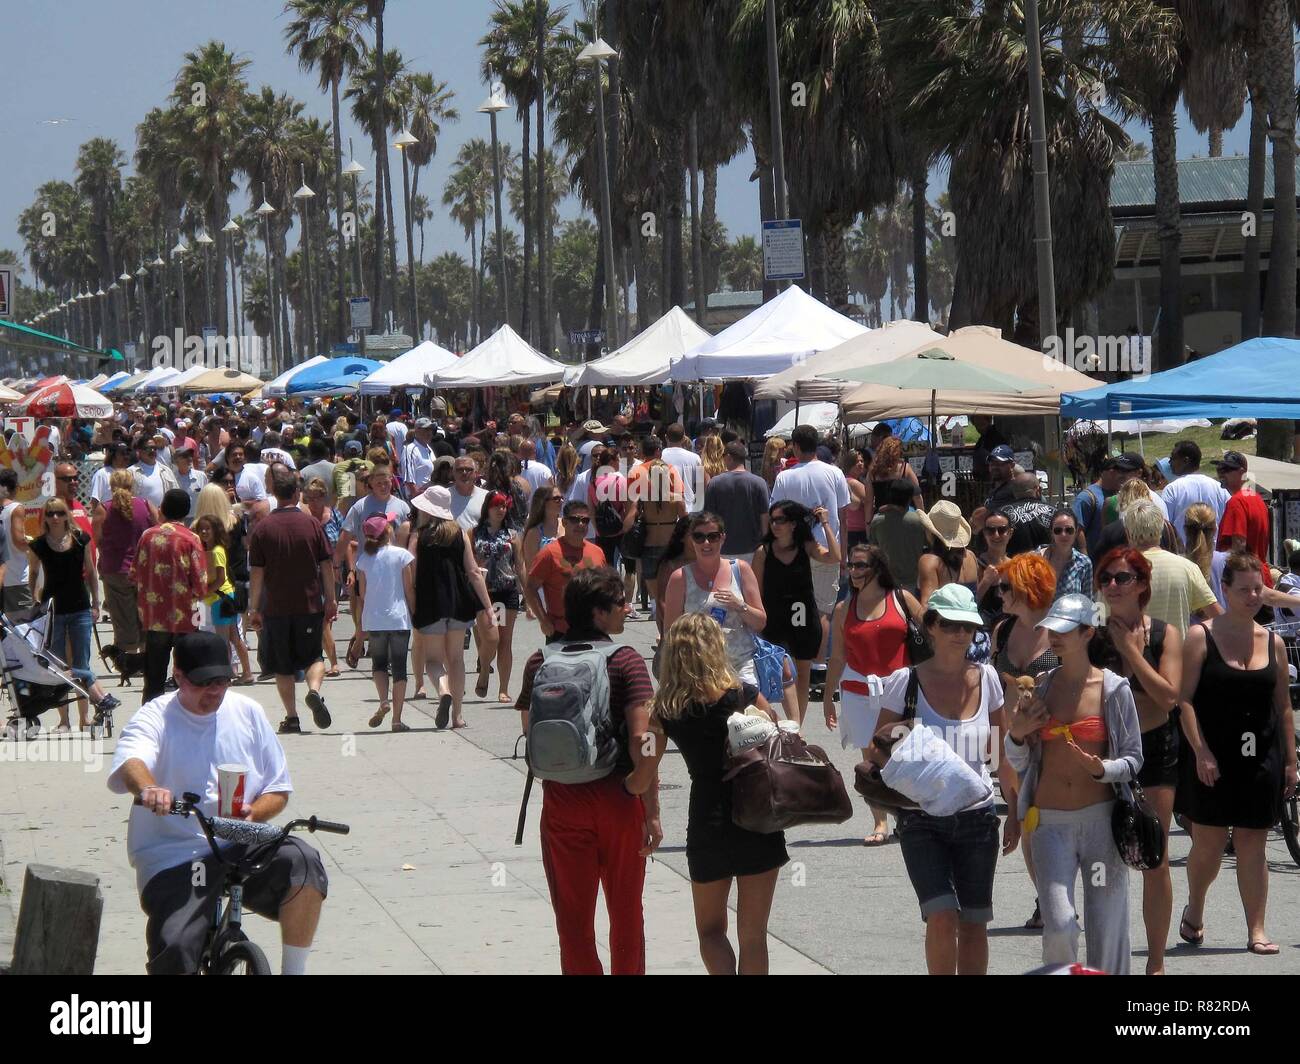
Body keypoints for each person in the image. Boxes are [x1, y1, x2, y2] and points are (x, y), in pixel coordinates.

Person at [107, 631, 329, 975]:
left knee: (304, 862)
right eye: (203, 682)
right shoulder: (155, 716)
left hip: (240, 839)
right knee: (175, 948)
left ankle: (294, 971)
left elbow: (279, 789)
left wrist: (255, 812)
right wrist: (150, 789)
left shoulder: (248, 712)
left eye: (222, 681)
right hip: (178, 853)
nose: (214, 691)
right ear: (178, 677)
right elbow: (132, 760)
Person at [516, 567, 659, 975]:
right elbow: (643, 739)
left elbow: (531, 733)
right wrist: (649, 803)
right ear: (598, 613)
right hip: (617, 798)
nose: (627, 609)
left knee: (572, 920)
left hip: (561, 800)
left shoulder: (540, 660)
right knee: (626, 913)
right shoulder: (626, 660)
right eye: (620, 603)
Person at [875, 584, 1017, 975]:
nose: (960, 633)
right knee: (941, 916)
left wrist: (1017, 810)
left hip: (978, 817)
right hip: (921, 819)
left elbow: (1000, 754)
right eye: (950, 624)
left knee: (974, 922)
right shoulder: (904, 681)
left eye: (968, 626)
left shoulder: (988, 679)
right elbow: (876, 748)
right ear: (931, 626)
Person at [635, 612, 787, 974]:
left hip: (708, 820)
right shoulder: (744, 694)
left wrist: (648, 812)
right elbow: (777, 735)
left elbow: (644, 773)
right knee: (754, 936)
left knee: (710, 931)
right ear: (716, 648)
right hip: (757, 814)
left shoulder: (664, 710)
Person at [1003, 593, 1144, 975]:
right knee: (1061, 924)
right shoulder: (1041, 688)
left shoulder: (1113, 689)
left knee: (1105, 927)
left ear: (1087, 633)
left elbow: (1134, 758)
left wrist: (1102, 769)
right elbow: (1019, 760)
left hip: (1100, 827)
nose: (1055, 637)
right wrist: (1017, 734)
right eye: (1051, 629)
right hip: (1050, 829)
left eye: (1065, 630)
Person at [1175, 551, 1296, 957]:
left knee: (1252, 843)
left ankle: (1256, 928)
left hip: (1261, 758)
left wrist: (1291, 761)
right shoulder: (1201, 636)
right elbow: (1184, 700)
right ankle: (1195, 907)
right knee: (1208, 846)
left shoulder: (1274, 643)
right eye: (1243, 589)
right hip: (1213, 757)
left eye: (1258, 589)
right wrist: (1201, 751)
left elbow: (1283, 706)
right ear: (1224, 590)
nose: (1253, 596)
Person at [1087, 547, 1183, 974]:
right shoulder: (1091, 635)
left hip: (1154, 751)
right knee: (1102, 859)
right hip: (1104, 752)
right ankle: (1107, 958)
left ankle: (1155, 962)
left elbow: (1168, 697)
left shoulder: (1164, 634)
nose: (1112, 585)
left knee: (1153, 856)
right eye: (1105, 578)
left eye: (1122, 578)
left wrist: (1131, 652)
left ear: (1142, 584)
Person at [824, 544, 924, 846]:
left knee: (904, 753)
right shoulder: (844, 609)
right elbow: (838, 657)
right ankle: (880, 821)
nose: (853, 572)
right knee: (870, 756)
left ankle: (908, 814)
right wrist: (827, 697)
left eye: (860, 566)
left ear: (877, 568)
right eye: (851, 566)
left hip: (900, 688)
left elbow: (932, 631)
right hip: (859, 690)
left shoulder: (901, 598)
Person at [246, 469, 337, 735]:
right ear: (297, 494)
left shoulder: (263, 529)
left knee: (282, 666)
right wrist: (331, 599)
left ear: (274, 494)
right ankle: (313, 690)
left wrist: (254, 608)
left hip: (276, 607)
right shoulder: (312, 525)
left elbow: (257, 572)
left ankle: (292, 717)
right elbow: (326, 565)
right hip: (309, 604)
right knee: (314, 657)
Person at [28, 497, 120, 730]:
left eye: (59, 513)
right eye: (50, 513)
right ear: (45, 517)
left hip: (80, 606)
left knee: (81, 663)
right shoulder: (39, 544)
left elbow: (90, 572)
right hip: (53, 610)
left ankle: (84, 718)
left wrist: (96, 603)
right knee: (58, 666)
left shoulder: (81, 539)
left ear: (66, 515)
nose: (55, 517)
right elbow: (33, 574)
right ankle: (64, 720)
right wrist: (34, 600)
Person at [410, 484, 495, 729]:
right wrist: (488, 607)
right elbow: (474, 572)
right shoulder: (459, 534)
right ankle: (458, 716)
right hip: (459, 602)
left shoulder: (419, 537)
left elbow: (411, 574)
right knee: (456, 659)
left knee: (433, 660)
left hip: (430, 604)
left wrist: (411, 605)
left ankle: (443, 690)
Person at [751, 500, 840, 723]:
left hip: (803, 617)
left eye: (780, 520)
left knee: (802, 674)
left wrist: (826, 524)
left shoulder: (805, 546)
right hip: (775, 619)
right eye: (772, 520)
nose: (774, 525)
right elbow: (756, 590)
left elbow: (834, 557)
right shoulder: (763, 551)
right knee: (780, 673)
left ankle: (796, 726)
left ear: (792, 524)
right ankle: (779, 721)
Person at [662, 512, 767, 685]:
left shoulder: (741, 570)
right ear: (691, 540)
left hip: (740, 664)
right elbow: (670, 632)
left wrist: (740, 605)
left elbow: (760, 622)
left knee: (750, 701)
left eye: (713, 537)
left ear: (722, 538)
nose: (706, 543)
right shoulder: (679, 578)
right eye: (699, 537)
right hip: (698, 669)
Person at [134, 489, 210, 701]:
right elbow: (200, 583)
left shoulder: (147, 536)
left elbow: (135, 573)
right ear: (187, 512)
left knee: (154, 675)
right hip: (186, 615)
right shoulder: (191, 538)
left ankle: (150, 713)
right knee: (187, 672)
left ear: (163, 509)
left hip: (154, 616)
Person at [353, 514, 416, 731]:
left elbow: (362, 594)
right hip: (398, 619)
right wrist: (415, 612)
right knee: (400, 669)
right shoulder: (402, 555)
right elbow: (409, 589)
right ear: (388, 531)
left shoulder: (364, 559)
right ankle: (397, 719)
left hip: (374, 619)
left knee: (378, 664)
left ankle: (383, 701)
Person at [1121, 500, 1220, 637]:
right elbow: (1218, 615)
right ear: (1161, 528)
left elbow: (1101, 620)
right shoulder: (1187, 568)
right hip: (1178, 649)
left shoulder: (1116, 572)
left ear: (1127, 532)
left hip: (1131, 649)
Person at [93, 468, 155, 656]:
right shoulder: (146, 505)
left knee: (123, 619)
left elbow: (97, 540)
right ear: (132, 484)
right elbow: (156, 532)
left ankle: (129, 658)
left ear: (111, 486)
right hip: (144, 570)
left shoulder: (103, 509)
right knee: (145, 618)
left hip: (116, 570)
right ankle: (146, 660)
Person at [526, 500, 608, 640]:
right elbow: (530, 588)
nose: (580, 524)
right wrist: (543, 620)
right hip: (561, 631)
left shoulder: (597, 552)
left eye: (585, 520)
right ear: (564, 522)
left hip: (595, 630)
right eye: (575, 519)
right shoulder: (549, 553)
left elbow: (606, 588)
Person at [473, 492, 526, 703]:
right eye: (496, 505)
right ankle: (485, 668)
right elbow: (467, 563)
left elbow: (519, 565)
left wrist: (528, 595)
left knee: (505, 641)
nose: (501, 510)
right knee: (490, 638)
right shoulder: (474, 533)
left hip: (507, 591)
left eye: (504, 506)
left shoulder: (512, 535)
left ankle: (503, 689)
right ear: (488, 508)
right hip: (485, 592)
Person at [192, 513, 253, 683]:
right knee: (235, 638)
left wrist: (204, 592)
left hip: (220, 600)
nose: (204, 532)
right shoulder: (212, 550)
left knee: (222, 641)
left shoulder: (216, 551)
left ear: (216, 530)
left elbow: (219, 579)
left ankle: (224, 675)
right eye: (201, 529)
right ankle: (246, 673)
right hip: (225, 598)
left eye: (208, 529)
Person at [300, 477, 342, 676]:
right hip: (310, 574)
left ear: (324, 497)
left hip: (332, 572)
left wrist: (347, 568)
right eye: (309, 498)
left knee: (327, 619)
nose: (313, 501)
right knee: (322, 620)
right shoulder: (303, 518)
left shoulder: (334, 515)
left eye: (317, 497)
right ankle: (331, 662)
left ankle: (321, 659)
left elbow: (344, 543)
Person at [703, 441, 770, 566]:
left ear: (728, 457)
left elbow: (709, 518)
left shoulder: (714, 483)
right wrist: (765, 547)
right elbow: (765, 518)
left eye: (723, 456)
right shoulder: (759, 483)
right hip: (754, 550)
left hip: (723, 550)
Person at [1214, 451, 1273, 587]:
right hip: (1259, 575)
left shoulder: (1237, 502)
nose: (1221, 474)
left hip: (1245, 580)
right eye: (1220, 469)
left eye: (1227, 469)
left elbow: (1239, 546)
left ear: (1242, 472)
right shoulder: (1257, 498)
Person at [867, 478, 928, 596]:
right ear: (909, 499)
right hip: (913, 580)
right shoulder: (918, 521)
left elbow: (873, 549)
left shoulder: (877, 521)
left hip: (887, 581)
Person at [1161, 439, 1229, 545]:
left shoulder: (1172, 489)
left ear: (1185, 461)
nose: (1170, 463)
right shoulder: (1219, 488)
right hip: (1213, 552)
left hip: (1183, 553)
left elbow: (1164, 525)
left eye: (1173, 458)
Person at [917, 501, 979, 605]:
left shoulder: (929, 562)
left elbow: (927, 607)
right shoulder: (971, 556)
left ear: (931, 531)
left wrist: (906, 599)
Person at [1072, 456, 1123, 560]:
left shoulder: (1120, 493)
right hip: (1095, 560)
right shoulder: (1087, 497)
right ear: (1111, 472)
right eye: (1122, 475)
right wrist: (1085, 557)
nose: (1124, 479)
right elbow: (1077, 529)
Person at [1037, 507, 1093, 601]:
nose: (1063, 534)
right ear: (1051, 533)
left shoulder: (1084, 563)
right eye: (1058, 530)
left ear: (1076, 532)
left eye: (1069, 530)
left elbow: (1087, 602)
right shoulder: (1034, 559)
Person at [866, 435, 923, 518]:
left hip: (881, 518)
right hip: (904, 517)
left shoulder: (873, 472)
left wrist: (868, 522)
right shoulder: (905, 468)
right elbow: (917, 496)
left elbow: (868, 501)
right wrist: (923, 519)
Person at [1002, 473, 1054, 556]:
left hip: (1014, 563)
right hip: (1047, 562)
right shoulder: (1053, 511)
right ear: (1038, 490)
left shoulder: (1002, 514)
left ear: (1014, 492)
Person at [662, 423, 705, 512]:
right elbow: (700, 486)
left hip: (666, 511)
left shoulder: (660, 457)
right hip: (689, 509)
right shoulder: (695, 458)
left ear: (666, 437)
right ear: (684, 438)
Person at [521, 484, 562, 575]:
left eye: (561, 498)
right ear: (543, 502)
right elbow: (530, 568)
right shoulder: (534, 533)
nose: (561, 501)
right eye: (556, 498)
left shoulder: (566, 525)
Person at [130, 436, 180, 510]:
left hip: (164, 514)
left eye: (154, 448)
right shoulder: (130, 473)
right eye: (149, 448)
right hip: (142, 515)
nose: (152, 450)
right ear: (139, 451)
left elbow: (176, 493)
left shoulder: (166, 470)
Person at [840, 448, 870, 548]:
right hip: (860, 530)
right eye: (857, 462)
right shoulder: (854, 483)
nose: (861, 464)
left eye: (862, 461)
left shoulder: (844, 480)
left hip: (849, 529)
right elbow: (870, 502)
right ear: (850, 464)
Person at [450, 454, 488, 530]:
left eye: (469, 469)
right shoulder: (444, 495)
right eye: (460, 469)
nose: (464, 473)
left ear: (476, 473)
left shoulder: (486, 496)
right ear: (453, 473)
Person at [299, 438, 337, 508]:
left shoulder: (303, 473)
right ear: (326, 453)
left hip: (311, 512)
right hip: (334, 511)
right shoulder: (337, 469)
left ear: (309, 454)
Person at [171, 447, 207, 521]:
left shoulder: (201, 476)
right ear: (176, 460)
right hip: (178, 519)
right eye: (185, 456)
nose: (189, 458)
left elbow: (207, 498)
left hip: (198, 518)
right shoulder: (171, 478)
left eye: (190, 456)